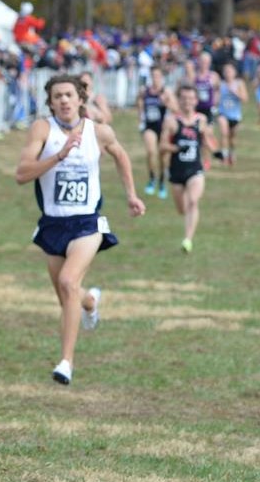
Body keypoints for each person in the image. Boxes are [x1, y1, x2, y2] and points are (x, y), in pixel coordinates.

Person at [16, 74, 145, 385]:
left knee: (67, 281)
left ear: (80, 99)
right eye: (57, 96)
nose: (63, 100)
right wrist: (58, 156)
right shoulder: (42, 130)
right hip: (52, 223)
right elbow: (22, 174)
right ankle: (91, 302)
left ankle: (66, 363)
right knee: (69, 297)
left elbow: (121, 155)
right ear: (50, 102)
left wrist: (131, 195)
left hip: (87, 222)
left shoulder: (98, 132)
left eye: (68, 95)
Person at [160, 84, 217, 253]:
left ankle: (188, 240)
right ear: (179, 100)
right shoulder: (172, 121)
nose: (187, 102)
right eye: (184, 98)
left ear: (196, 101)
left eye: (191, 98)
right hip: (176, 171)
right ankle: (188, 227)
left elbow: (207, 141)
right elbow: (162, 146)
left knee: (193, 201)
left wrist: (217, 152)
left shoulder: (201, 120)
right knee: (182, 209)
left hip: (195, 169)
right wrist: (176, 148)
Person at [139, 65, 169, 199]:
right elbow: (139, 103)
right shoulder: (145, 91)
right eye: (153, 76)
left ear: (162, 77)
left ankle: (162, 182)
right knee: (151, 152)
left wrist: (166, 102)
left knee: (163, 157)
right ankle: (152, 178)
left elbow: (175, 108)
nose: (155, 79)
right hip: (149, 126)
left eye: (158, 76)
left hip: (162, 128)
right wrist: (140, 118)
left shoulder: (166, 91)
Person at [214, 62, 247, 166]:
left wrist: (235, 92)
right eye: (226, 71)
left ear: (234, 72)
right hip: (222, 113)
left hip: (235, 115)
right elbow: (216, 98)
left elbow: (245, 99)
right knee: (224, 133)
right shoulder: (221, 84)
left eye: (230, 71)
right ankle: (224, 157)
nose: (228, 73)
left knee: (232, 138)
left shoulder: (239, 83)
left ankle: (232, 153)